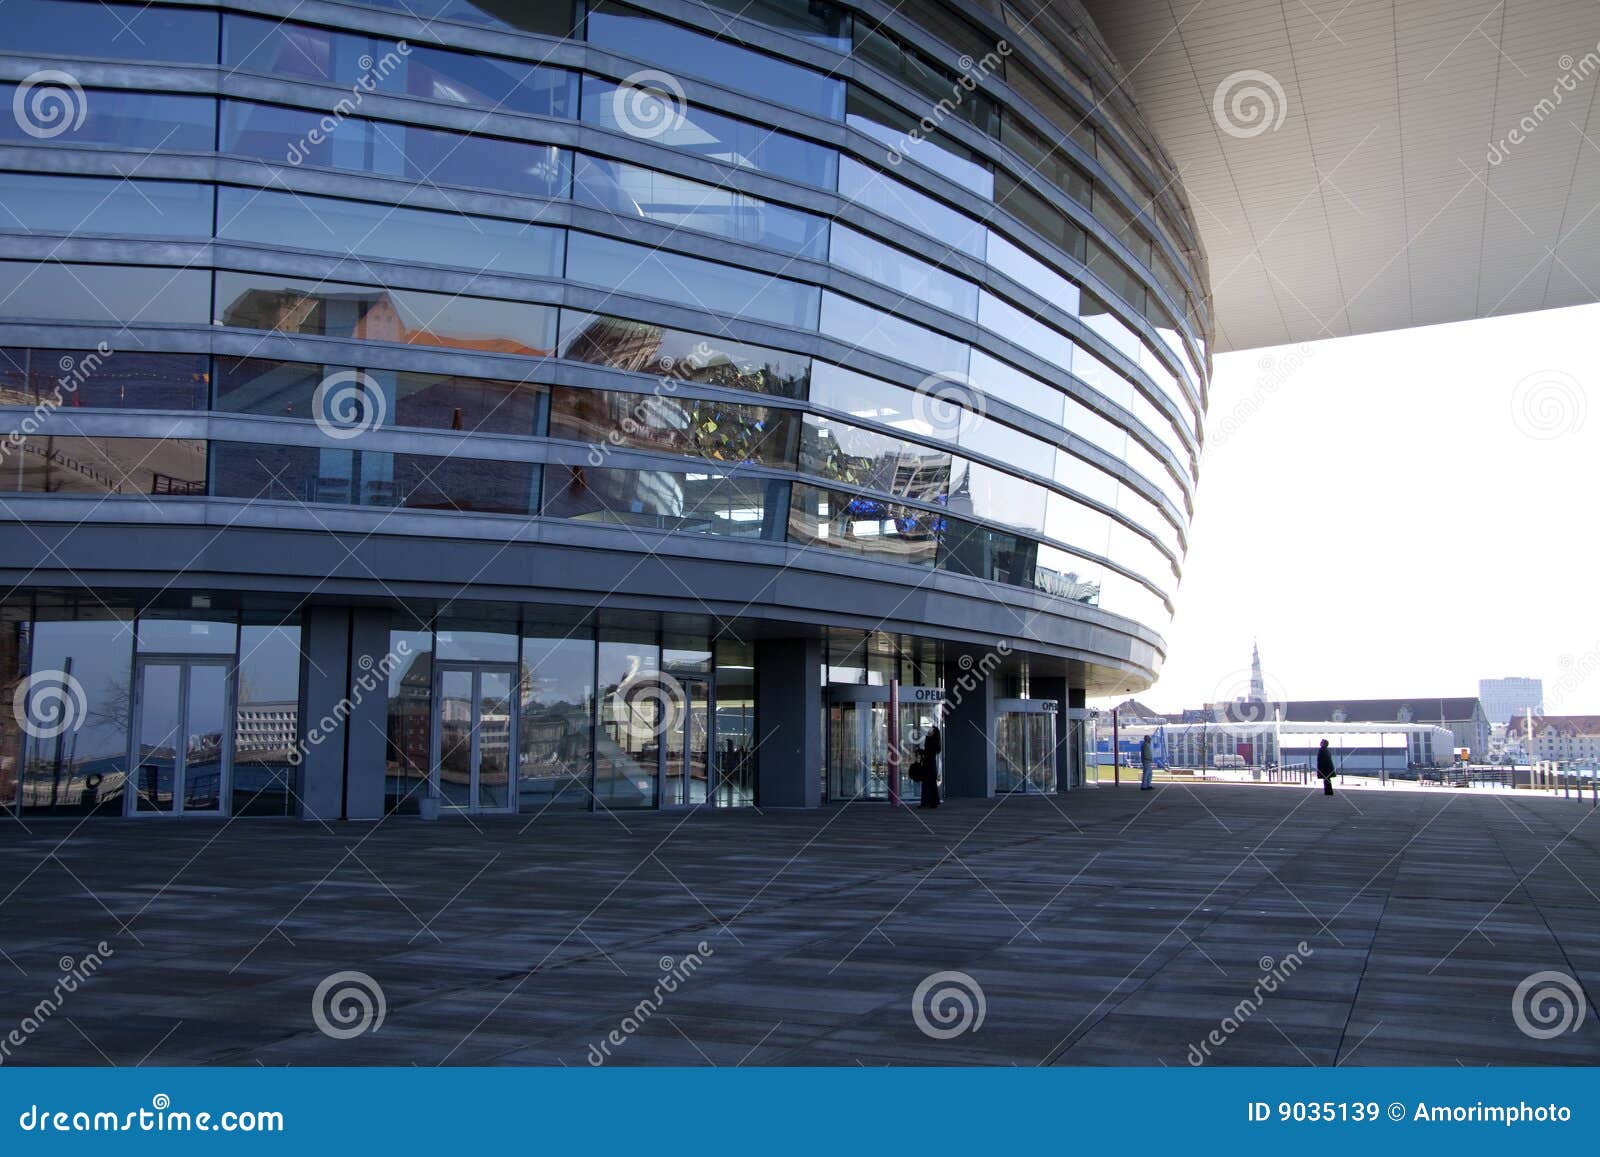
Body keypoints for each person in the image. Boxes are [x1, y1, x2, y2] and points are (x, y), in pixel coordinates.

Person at [920, 724, 942, 809]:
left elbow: (929, 752)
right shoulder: (930, 739)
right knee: (928, 783)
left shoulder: (932, 741)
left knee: (929, 783)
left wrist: (922, 751)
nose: (929, 730)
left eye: (931, 729)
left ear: (934, 732)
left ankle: (930, 802)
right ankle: (929, 802)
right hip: (929, 763)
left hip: (929, 764)